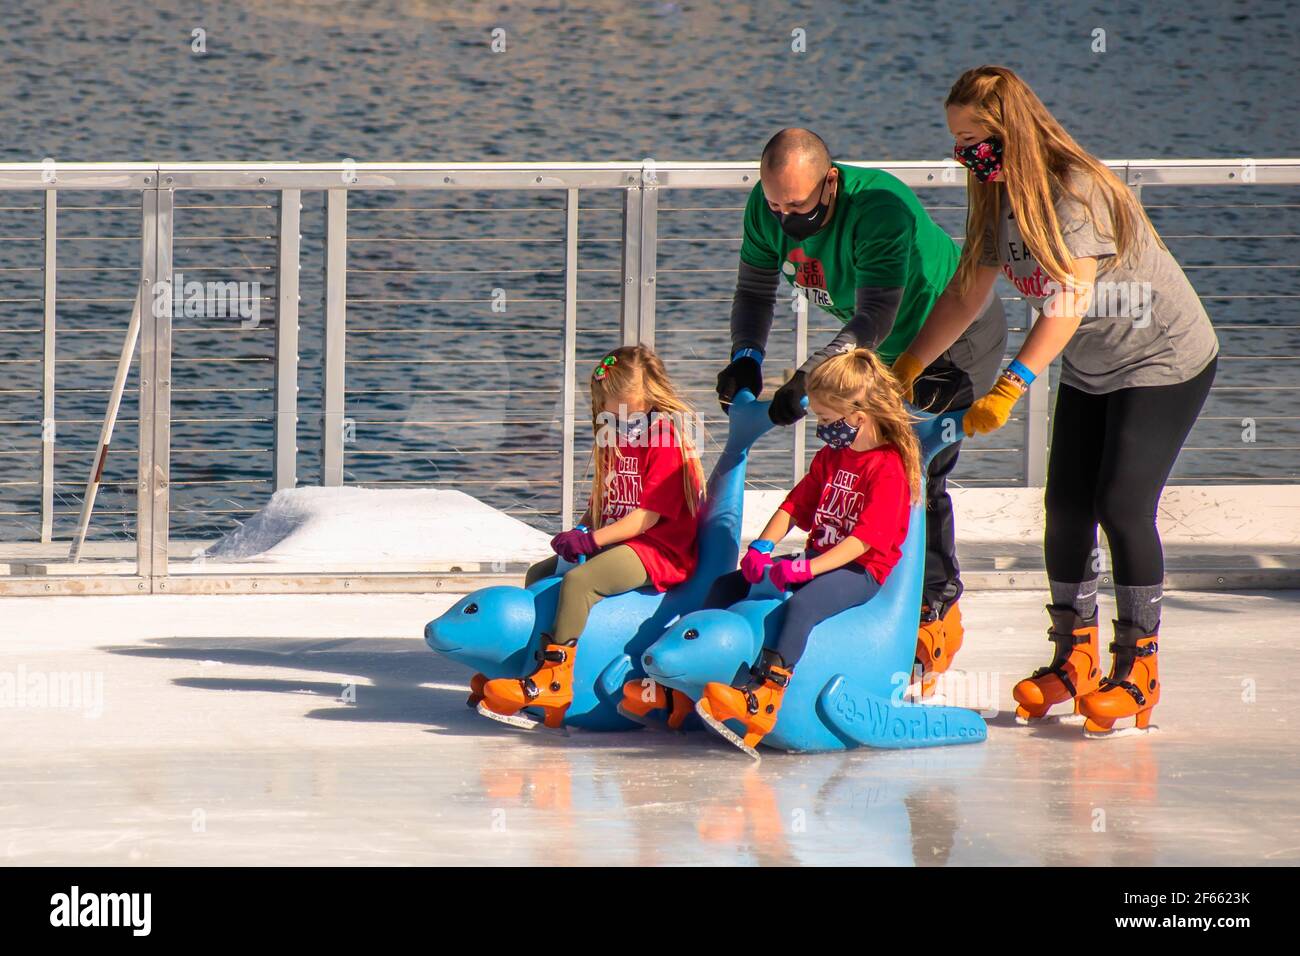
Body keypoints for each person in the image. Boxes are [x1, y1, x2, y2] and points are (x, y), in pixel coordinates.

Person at [898, 65, 1219, 734]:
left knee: (1120, 505)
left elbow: (1068, 300)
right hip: (1092, 362)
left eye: (973, 139)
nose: (962, 154)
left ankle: (1138, 664)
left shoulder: (1076, 190)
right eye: (955, 141)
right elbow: (965, 293)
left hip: (1162, 355)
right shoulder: (995, 194)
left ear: (1009, 132)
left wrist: (1013, 383)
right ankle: (1073, 657)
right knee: (1065, 507)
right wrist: (906, 366)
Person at [715, 127, 1007, 698]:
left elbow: (872, 317)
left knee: (914, 465)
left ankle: (931, 609)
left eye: (797, 205)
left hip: (951, 337)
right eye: (775, 204)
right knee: (848, 457)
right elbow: (754, 290)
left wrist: (805, 383)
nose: (784, 217)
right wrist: (746, 360)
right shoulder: (767, 205)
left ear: (830, 181)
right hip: (879, 348)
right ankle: (835, 584)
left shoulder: (879, 209)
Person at [697, 349, 919, 752]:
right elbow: (794, 506)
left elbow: (863, 541)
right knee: (729, 585)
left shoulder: (887, 468)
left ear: (858, 416)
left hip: (859, 570)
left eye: (825, 419)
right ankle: (708, 676)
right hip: (819, 558)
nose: (821, 428)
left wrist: (807, 570)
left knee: (801, 607)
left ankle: (765, 695)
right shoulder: (832, 455)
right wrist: (763, 546)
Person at [479, 345, 705, 729]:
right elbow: (605, 500)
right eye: (606, 402)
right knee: (539, 573)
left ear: (648, 394)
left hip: (656, 549)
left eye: (620, 402)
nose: (612, 410)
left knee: (580, 581)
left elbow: (644, 520)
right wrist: (584, 528)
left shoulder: (664, 439)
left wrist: (594, 542)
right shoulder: (614, 435)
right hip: (618, 537)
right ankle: (529, 663)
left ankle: (555, 679)